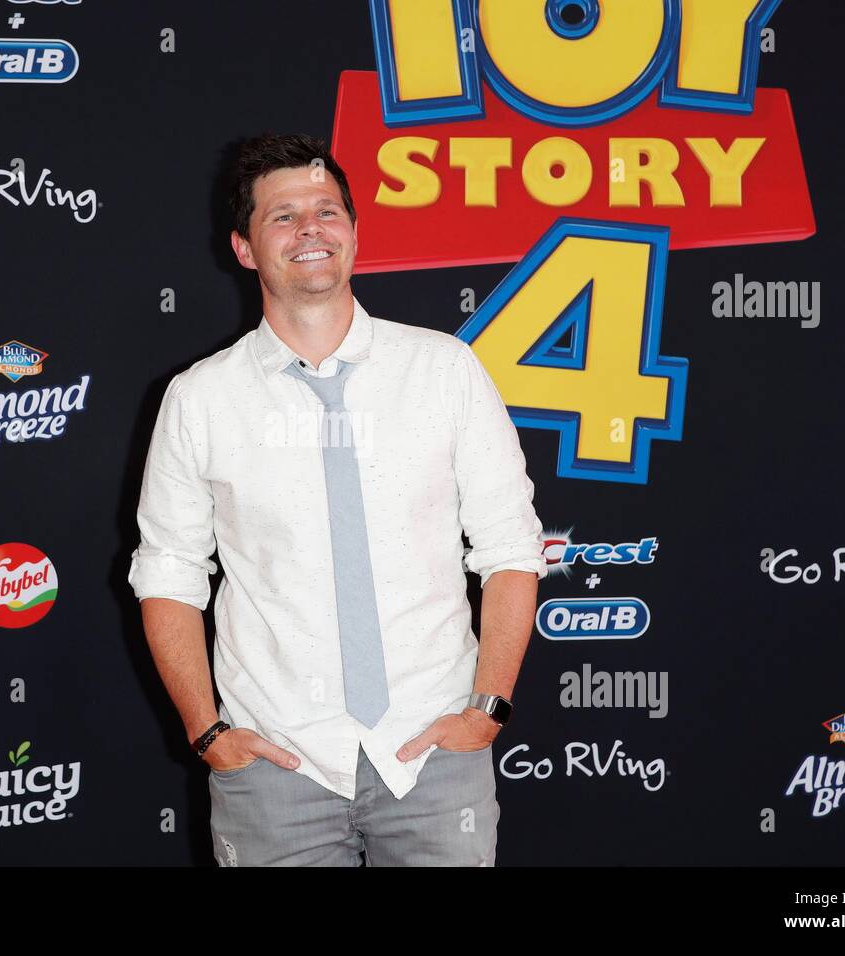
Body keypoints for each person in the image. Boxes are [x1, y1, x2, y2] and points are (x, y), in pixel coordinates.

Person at [127, 132, 548, 866]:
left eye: (326, 210)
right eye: (282, 216)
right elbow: (168, 574)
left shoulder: (444, 371)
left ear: (353, 232)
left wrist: (486, 711)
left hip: (434, 755)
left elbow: (511, 548)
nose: (310, 228)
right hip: (274, 767)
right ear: (245, 248)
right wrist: (207, 734)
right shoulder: (199, 400)